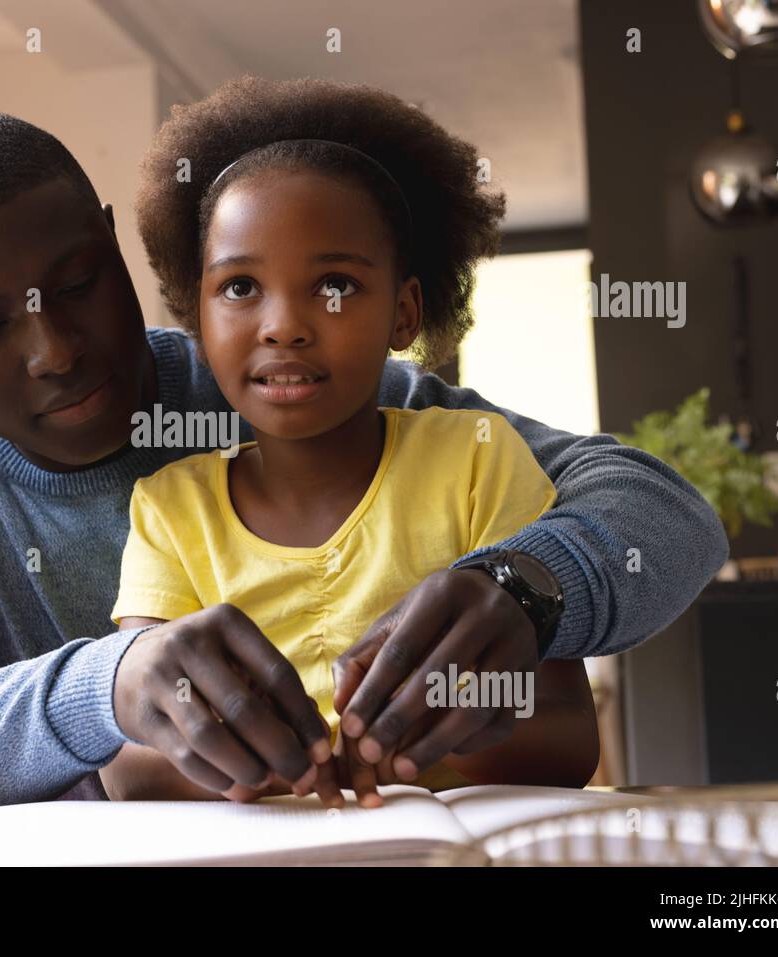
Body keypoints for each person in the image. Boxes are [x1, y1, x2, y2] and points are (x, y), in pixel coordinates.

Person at [0, 81, 727, 833]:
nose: (53, 348)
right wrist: (110, 684)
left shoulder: (294, 392)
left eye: (76, 285)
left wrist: (528, 585)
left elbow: (666, 512)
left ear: (118, 247)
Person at [100, 82, 598, 807]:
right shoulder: (170, 509)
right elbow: (130, 765)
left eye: (334, 284)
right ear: (197, 318)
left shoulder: (478, 462)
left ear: (404, 313)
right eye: (240, 287)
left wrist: (447, 729)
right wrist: (252, 764)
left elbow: (572, 737)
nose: (284, 325)